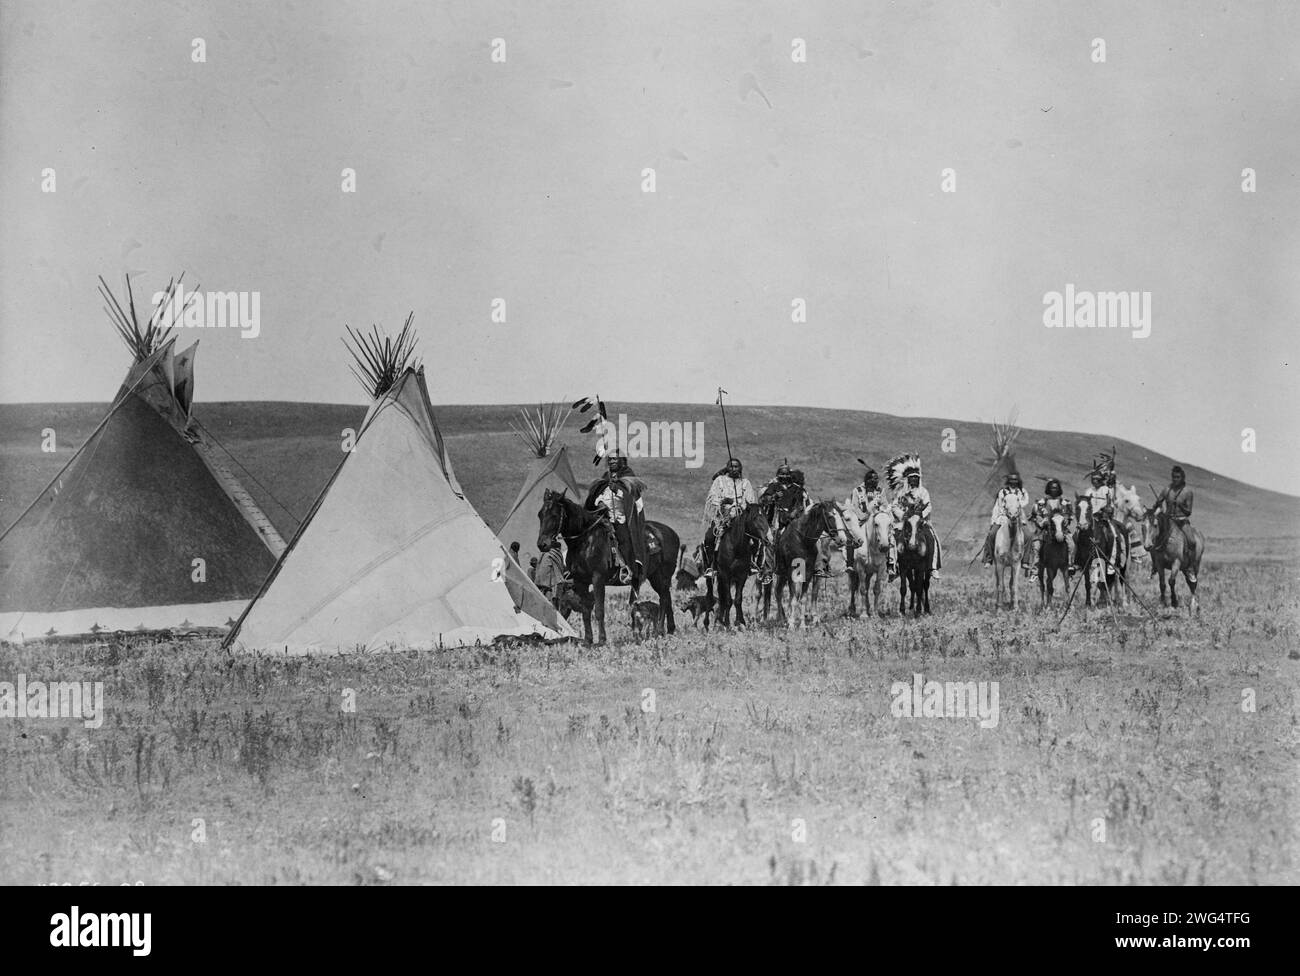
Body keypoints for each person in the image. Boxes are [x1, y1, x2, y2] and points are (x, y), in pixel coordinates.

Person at [586, 452, 647, 585]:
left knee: (624, 540)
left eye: (615, 459)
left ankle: (627, 570)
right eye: (610, 459)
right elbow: (597, 496)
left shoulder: (628, 476)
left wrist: (618, 491)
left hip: (621, 519)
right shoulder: (605, 478)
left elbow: (632, 499)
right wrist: (599, 502)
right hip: (605, 520)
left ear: (621, 461)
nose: (612, 461)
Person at [701, 457, 756, 577]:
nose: (734, 469)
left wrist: (737, 504)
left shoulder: (745, 483)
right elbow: (712, 497)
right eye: (731, 466)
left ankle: (751, 564)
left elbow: (750, 500)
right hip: (722, 518)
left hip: (741, 518)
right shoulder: (719, 481)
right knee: (709, 537)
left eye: (737, 466)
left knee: (754, 538)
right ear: (727, 468)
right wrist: (722, 502)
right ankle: (711, 566)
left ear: (740, 468)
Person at [891, 461, 941, 578]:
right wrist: (902, 514)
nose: (914, 479)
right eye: (912, 477)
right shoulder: (901, 492)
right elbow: (894, 506)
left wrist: (921, 515)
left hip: (920, 522)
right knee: (892, 539)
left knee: (932, 538)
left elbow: (929, 506)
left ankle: (932, 567)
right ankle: (893, 567)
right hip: (903, 523)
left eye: (916, 477)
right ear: (908, 479)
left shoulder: (923, 492)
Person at [845, 466, 896, 575]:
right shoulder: (857, 491)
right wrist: (863, 516)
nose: (876, 481)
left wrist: (881, 512)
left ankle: (890, 563)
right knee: (851, 536)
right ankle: (849, 563)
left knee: (889, 536)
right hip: (861, 520)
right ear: (867, 480)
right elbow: (855, 506)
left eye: (877, 479)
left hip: (877, 520)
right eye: (873, 479)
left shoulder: (880, 491)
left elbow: (885, 505)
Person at [1026, 477, 1074, 578]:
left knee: (1071, 544)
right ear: (1048, 488)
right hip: (1044, 530)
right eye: (1052, 488)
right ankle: (1035, 569)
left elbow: (1069, 515)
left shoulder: (1065, 503)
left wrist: (1066, 520)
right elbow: (1035, 515)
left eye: (1056, 488)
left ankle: (1070, 564)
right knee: (1036, 546)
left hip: (1061, 530)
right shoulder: (1040, 502)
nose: (1054, 490)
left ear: (1059, 489)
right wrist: (1042, 521)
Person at [982, 473, 1029, 566]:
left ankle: (1025, 560)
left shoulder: (1022, 492)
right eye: (1012, 480)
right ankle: (988, 559)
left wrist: (1016, 507)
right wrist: (994, 521)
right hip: (1004, 517)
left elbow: (1025, 502)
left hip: (1018, 518)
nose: (1013, 482)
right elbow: (998, 506)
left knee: (1029, 536)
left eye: (1015, 480)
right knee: (991, 534)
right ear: (1008, 481)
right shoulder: (1002, 491)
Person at [1151, 464, 1195, 550]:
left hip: (1182, 522)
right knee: (1154, 538)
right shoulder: (1167, 490)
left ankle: (1190, 561)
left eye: (1178, 477)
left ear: (1182, 478)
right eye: (1174, 477)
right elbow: (1156, 504)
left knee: (1192, 541)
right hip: (1168, 521)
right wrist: (1157, 504)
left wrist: (1180, 505)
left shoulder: (1188, 492)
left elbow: (1188, 512)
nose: (1175, 479)